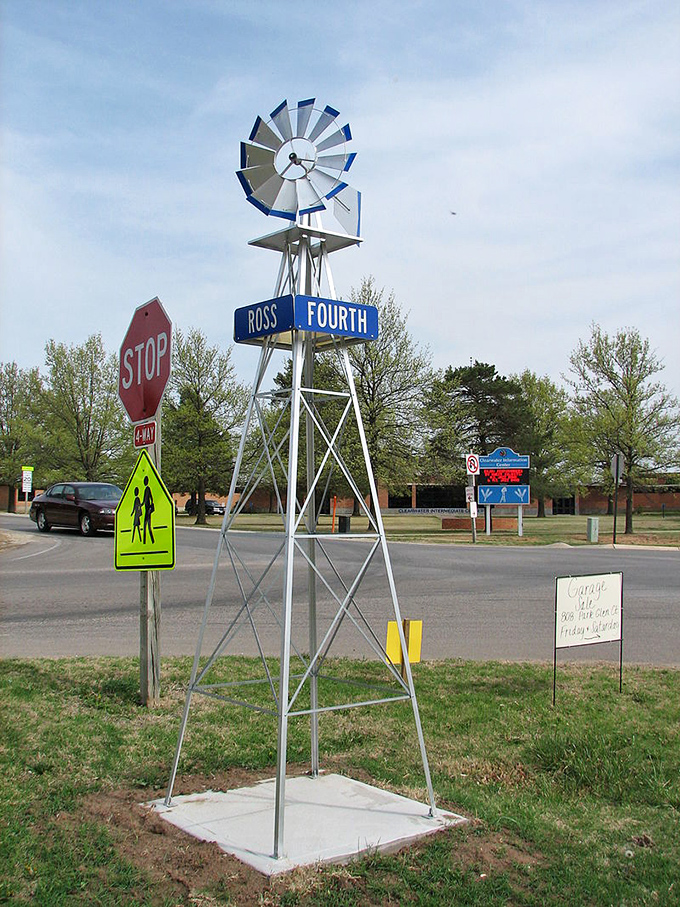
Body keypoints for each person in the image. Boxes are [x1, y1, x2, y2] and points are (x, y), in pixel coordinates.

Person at [142, 476, 155, 544]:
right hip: (146, 509)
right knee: (146, 526)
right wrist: (141, 505)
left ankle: (150, 540)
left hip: (148, 510)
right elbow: (145, 500)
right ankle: (146, 541)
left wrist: (151, 507)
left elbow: (150, 498)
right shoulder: (146, 489)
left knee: (147, 526)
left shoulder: (147, 489)